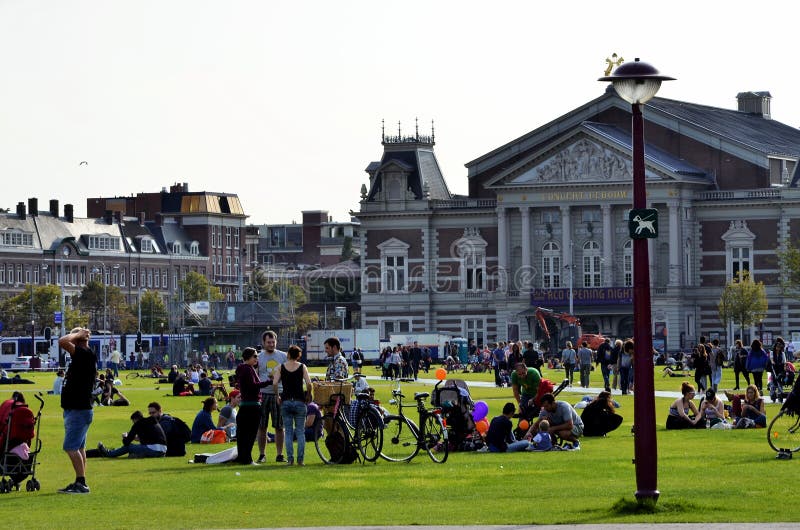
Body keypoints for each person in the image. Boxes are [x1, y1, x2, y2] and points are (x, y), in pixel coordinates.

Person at [56, 328, 97, 494]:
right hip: (79, 409)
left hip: (78, 410)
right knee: (79, 448)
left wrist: (77, 334)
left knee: (70, 447)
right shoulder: (85, 354)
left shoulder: (83, 353)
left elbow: (62, 341)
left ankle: (82, 483)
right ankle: (80, 481)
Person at [273, 344, 313, 466]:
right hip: (299, 401)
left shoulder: (281, 367)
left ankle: (290, 459)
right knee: (300, 431)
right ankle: (300, 460)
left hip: (285, 401)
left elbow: (275, 383)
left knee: (288, 432)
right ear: (299, 356)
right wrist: (308, 395)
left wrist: (277, 396)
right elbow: (309, 383)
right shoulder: (302, 367)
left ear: (288, 354)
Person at [236, 347, 272, 465]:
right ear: (249, 357)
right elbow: (254, 385)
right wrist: (269, 381)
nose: (257, 358)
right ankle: (247, 459)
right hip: (252, 406)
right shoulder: (248, 369)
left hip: (245, 405)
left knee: (242, 434)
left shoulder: (242, 368)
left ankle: (242, 458)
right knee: (250, 434)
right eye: (255, 356)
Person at [256, 330, 288, 464]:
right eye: (268, 342)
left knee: (279, 426)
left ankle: (279, 454)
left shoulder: (283, 356)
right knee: (262, 427)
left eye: (273, 342)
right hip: (263, 394)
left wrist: (278, 378)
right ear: (263, 343)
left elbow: (288, 373)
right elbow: (255, 376)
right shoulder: (258, 357)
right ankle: (262, 454)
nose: (271, 344)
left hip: (278, 394)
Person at [97, 410, 167, 458]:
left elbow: (126, 443)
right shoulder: (152, 420)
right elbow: (146, 439)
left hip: (154, 450)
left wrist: (125, 436)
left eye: (133, 421)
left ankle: (108, 453)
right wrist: (134, 437)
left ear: (135, 419)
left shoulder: (137, 424)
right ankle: (137, 455)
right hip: (163, 450)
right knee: (136, 447)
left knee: (129, 447)